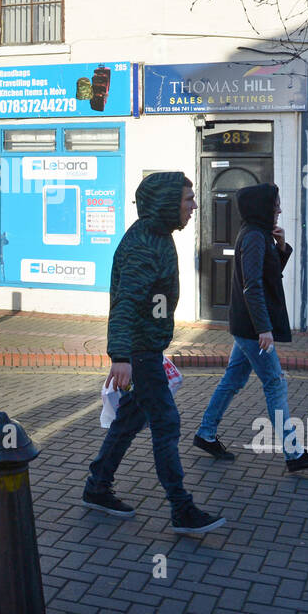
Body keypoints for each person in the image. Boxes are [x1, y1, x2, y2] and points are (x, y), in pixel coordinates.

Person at [82, 172, 225, 535]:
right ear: (166, 203)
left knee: (129, 419)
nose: (193, 206)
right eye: (187, 199)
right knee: (166, 423)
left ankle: (97, 486)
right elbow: (126, 303)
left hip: (148, 349)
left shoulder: (160, 237)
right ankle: (181, 509)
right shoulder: (144, 244)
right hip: (140, 353)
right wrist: (121, 357)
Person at [193, 184, 308, 472]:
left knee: (233, 380)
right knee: (275, 383)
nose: (279, 209)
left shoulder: (258, 234)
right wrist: (263, 329)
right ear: (262, 207)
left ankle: (205, 434)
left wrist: (280, 248)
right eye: (275, 205)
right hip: (252, 328)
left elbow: (268, 275)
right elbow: (252, 285)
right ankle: (294, 454)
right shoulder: (254, 236)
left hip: (246, 325)